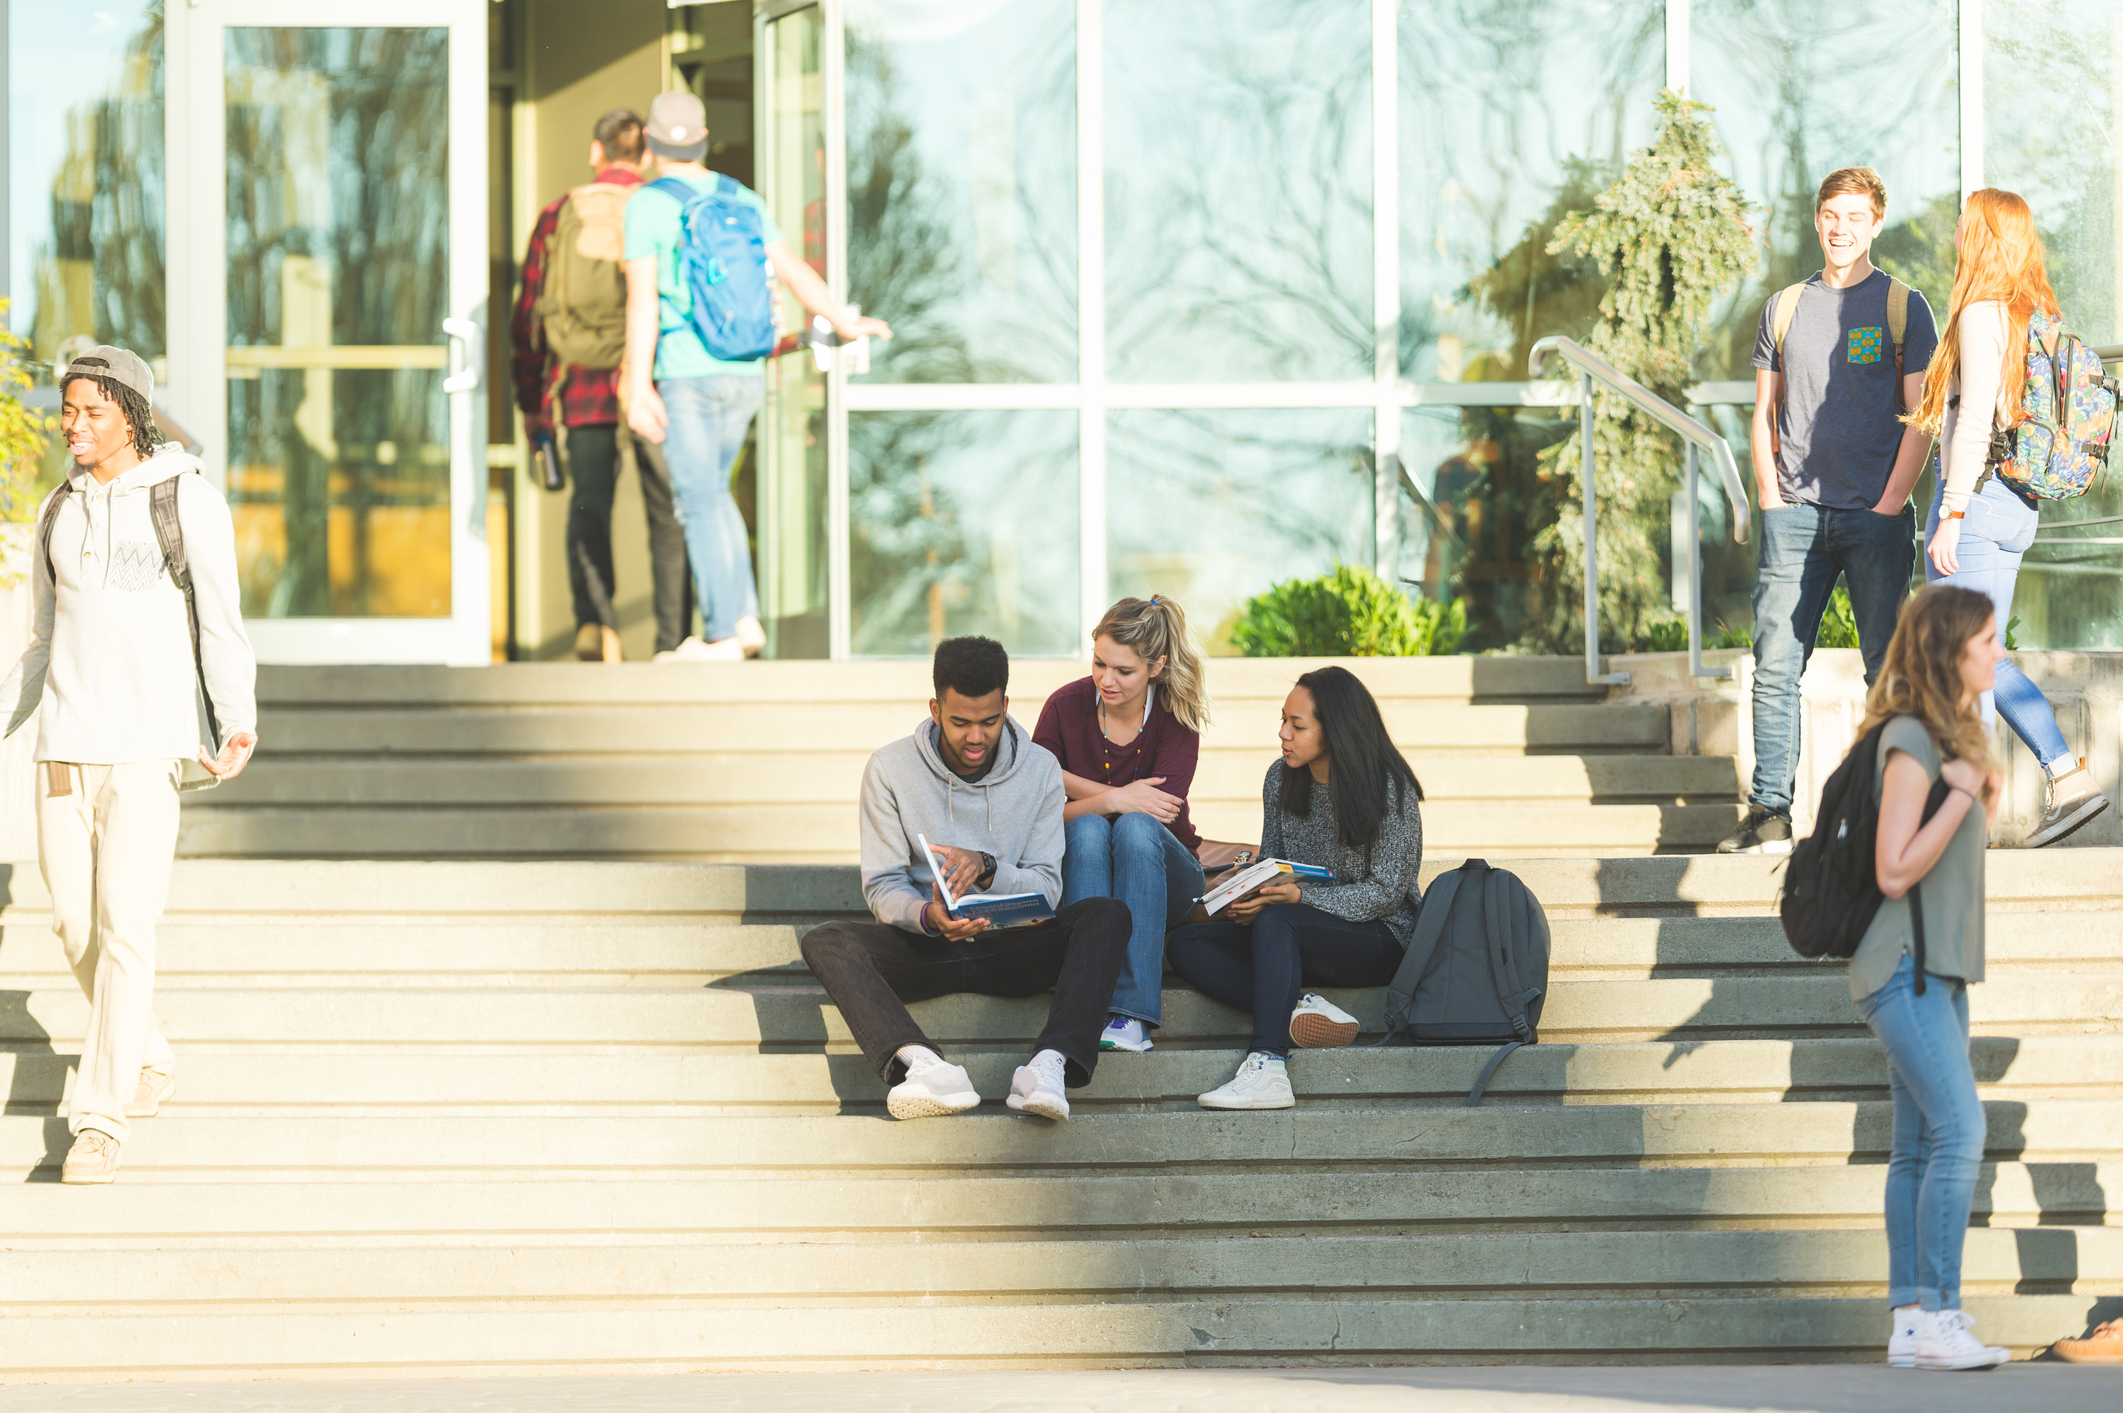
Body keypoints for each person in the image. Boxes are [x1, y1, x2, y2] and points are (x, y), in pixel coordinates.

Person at [0, 347, 258, 1184]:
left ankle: (100, 1119)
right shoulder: (57, 510)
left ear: (132, 416)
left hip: (149, 747)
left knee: (126, 930)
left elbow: (219, 620)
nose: (72, 425)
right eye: (68, 410)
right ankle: (145, 1048)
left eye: (90, 412)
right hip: (64, 748)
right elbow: (41, 640)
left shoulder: (188, 501)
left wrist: (236, 714)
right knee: (74, 925)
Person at [798, 636, 1130, 1123]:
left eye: (989, 721)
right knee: (827, 942)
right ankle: (925, 1065)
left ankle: (1048, 1065)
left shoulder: (1039, 770)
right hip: (926, 946)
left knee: (1107, 914)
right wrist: (929, 916)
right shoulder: (889, 769)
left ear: (1006, 707)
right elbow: (883, 884)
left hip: (1011, 947)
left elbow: (1048, 888)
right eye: (960, 722)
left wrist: (989, 868)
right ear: (935, 709)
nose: (976, 737)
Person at [622, 91, 891, 661]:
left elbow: (642, 302)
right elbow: (792, 271)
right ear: (701, 141)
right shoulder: (740, 197)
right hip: (744, 369)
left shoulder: (645, 206)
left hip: (686, 370)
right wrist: (842, 318)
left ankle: (721, 632)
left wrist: (634, 383)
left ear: (649, 142)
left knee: (696, 499)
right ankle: (742, 617)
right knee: (714, 493)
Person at [1722, 167, 1940, 855]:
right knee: (1775, 666)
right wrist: (1768, 494)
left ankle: (1885, 814)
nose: (1838, 227)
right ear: (1816, 220)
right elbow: (1762, 411)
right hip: (1794, 517)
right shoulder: (1783, 306)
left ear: (1875, 223)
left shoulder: (1904, 306)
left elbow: (1921, 416)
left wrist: (1889, 503)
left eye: (1852, 215)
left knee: (1885, 671)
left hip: (1872, 520)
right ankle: (1770, 812)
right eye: (1828, 214)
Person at [1909, 187, 2108, 847]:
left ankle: (1973, 809)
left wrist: (1950, 512)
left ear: (1982, 236)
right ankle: (2055, 779)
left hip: (1980, 498)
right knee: (1980, 656)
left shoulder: (1980, 310)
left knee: (1959, 655)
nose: (1958, 235)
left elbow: (1971, 423)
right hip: (2017, 503)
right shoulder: (2033, 314)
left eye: (1967, 226)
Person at [1849, 585, 2011, 1371]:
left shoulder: (1950, 737)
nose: (1997, 651)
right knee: (1960, 1129)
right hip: (1902, 967)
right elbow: (1891, 869)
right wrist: (1958, 793)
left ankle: (1910, 1322)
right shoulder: (1909, 741)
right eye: (1986, 640)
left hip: (1937, 970)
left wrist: (1976, 788)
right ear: (1951, 650)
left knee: (1914, 1147)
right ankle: (1941, 1313)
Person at [1166, 666, 1423, 1111]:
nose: (1283, 733)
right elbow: (1272, 862)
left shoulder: (1388, 788)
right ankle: (1303, 1005)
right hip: (1295, 930)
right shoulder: (1281, 778)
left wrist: (1299, 898)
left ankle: (1267, 1063)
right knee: (1188, 941)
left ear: (1335, 730)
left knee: (1281, 918)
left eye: (1297, 725)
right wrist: (1252, 895)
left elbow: (1386, 891)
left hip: (1380, 937)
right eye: (1282, 720)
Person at [511, 107, 692, 662]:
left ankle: (596, 625)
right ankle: (672, 642)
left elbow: (529, 319)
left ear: (596, 152)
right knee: (669, 512)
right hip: (655, 382)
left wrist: (534, 407)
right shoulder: (666, 208)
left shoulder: (559, 213)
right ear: (646, 156)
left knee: (590, 506)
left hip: (582, 384)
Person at [1033, 596, 1209, 1054]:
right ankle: (1090, 1002)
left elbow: (1158, 815)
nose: (1106, 680)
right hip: (1087, 870)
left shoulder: (1177, 717)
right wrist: (1111, 796)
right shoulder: (1064, 706)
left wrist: (1071, 789)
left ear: (1157, 666)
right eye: (1099, 664)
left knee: (1133, 827)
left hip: (1168, 879)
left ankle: (1131, 1013)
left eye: (1123, 671)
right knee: (1089, 829)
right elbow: (1034, 812)